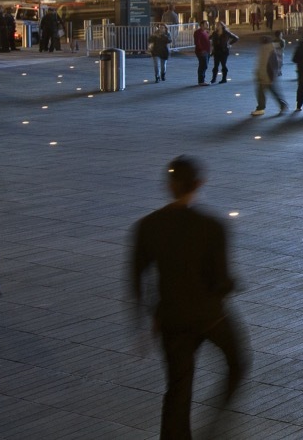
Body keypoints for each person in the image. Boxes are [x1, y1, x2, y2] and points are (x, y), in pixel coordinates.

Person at [130, 156, 248, 440]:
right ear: (198, 184)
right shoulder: (212, 226)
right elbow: (221, 279)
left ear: (170, 185)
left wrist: (148, 317)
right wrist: (231, 286)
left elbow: (136, 276)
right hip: (209, 316)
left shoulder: (148, 225)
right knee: (237, 362)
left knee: (178, 387)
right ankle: (217, 420)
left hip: (171, 317)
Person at [251, 34, 287, 117]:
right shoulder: (269, 48)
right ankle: (282, 104)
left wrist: (266, 76)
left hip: (266, 75)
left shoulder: (266, 49)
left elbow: (267, 64)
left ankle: (260, 109)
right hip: (267, 75)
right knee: (272, 91)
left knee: (261, 92)